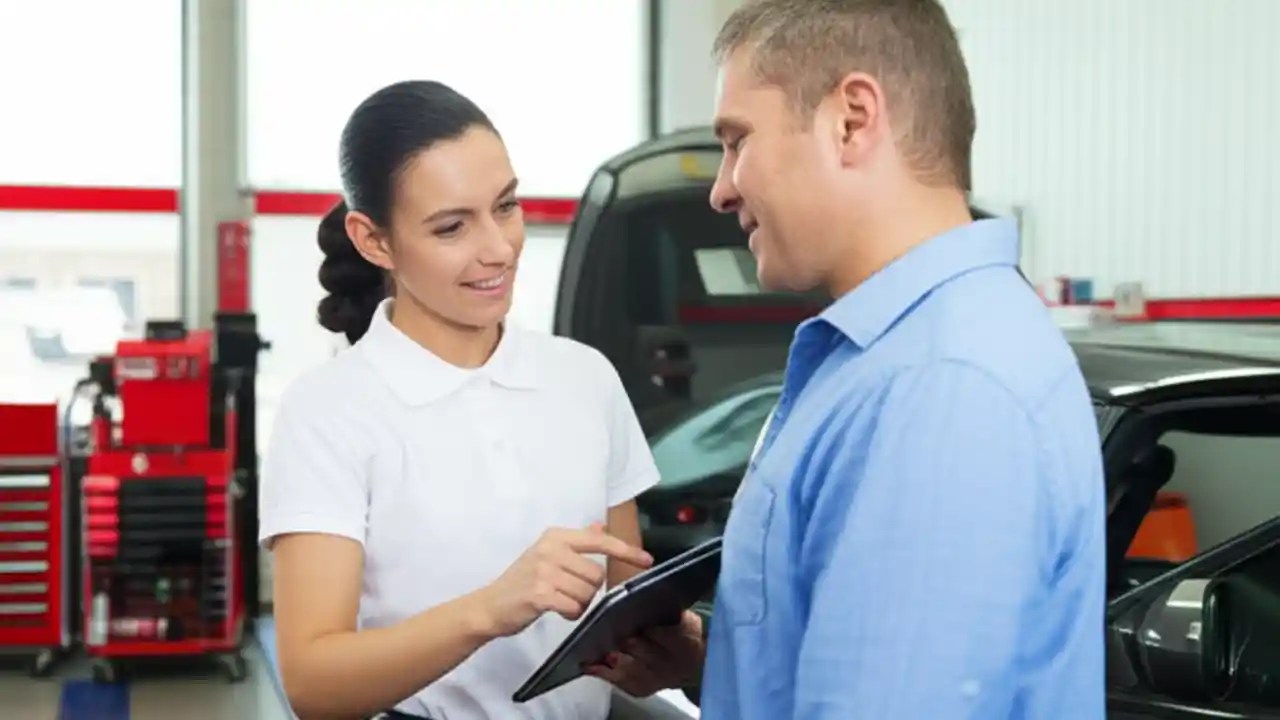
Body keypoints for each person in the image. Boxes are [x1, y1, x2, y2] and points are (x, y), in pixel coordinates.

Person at [607, 1, 1107, 718]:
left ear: (851, 119)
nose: (721, 188)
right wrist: (721, 666)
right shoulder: (908, 356)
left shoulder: (942, 390)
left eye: (737, 140)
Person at [258, 80, 698, 720]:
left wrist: (669, 654)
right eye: (451, 227)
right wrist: (491, 608)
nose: (498, 247)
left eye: (507, 206)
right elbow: (314, 684)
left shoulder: (585, 379)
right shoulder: (328, 411)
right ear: (374, 240)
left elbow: (618, 605)